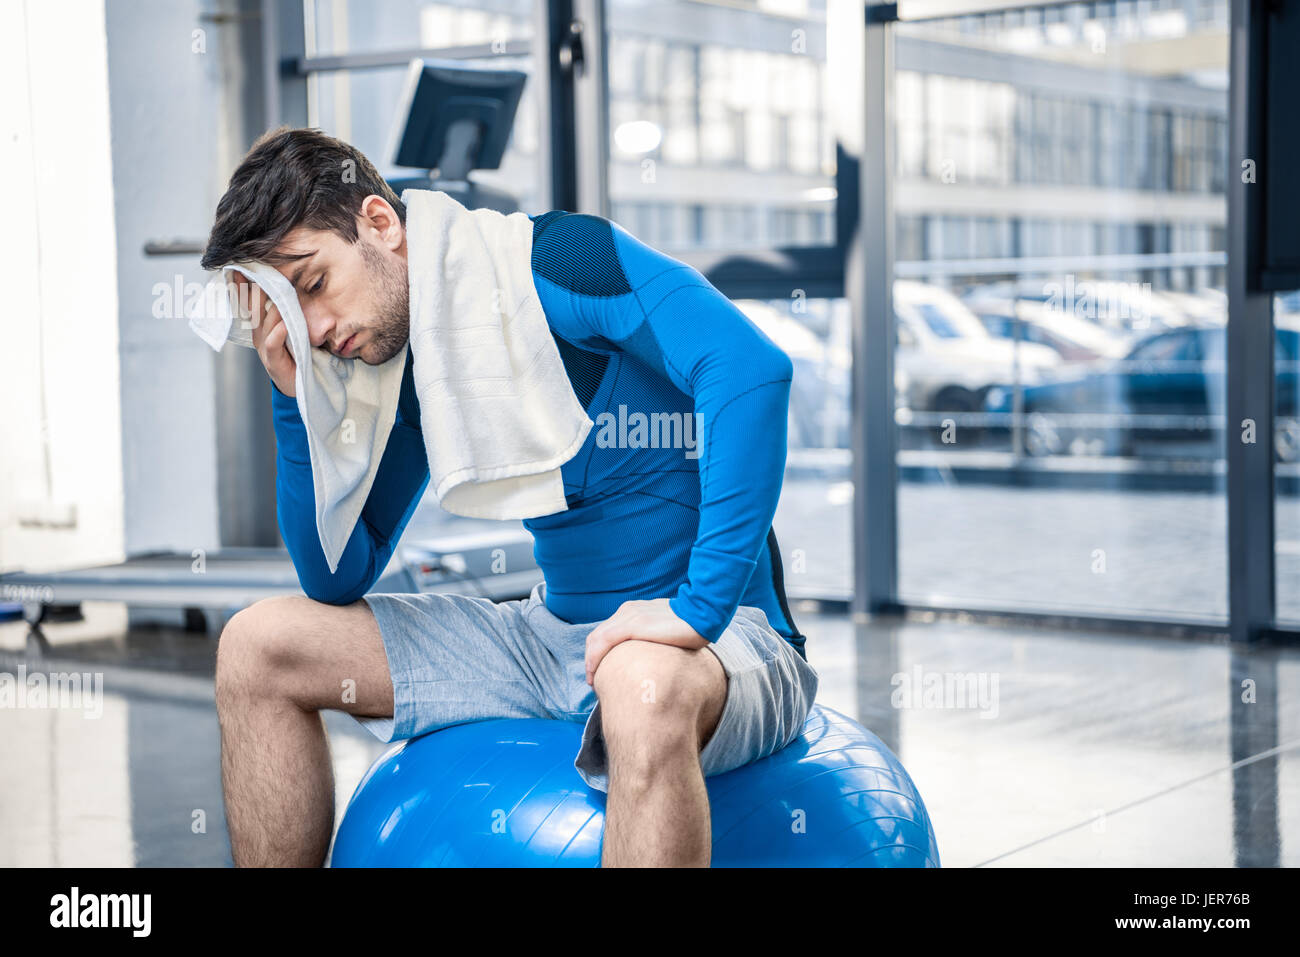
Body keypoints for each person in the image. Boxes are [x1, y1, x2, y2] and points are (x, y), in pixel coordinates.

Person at [201, 126, 817, 867]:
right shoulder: (419, 366)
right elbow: (335, 575)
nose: (318, 328)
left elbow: (749, 368)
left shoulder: (561, 260)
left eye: (314, 284)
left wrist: (696, 610)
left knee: (642, 683)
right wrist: (291, 399)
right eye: (289, 315)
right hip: (548, 639)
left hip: (722, 639)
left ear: (378, 223)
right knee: (257, 646)